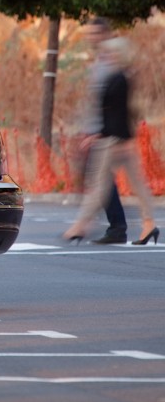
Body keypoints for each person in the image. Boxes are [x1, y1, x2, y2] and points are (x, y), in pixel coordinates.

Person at [63, 36, 157, 245]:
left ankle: (80, 225)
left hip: (114, 140)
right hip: (118, 138)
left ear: (120, 55)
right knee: (133, 183)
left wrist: (104, 135)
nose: (108, 56)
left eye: (112, 53)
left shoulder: (120, 79)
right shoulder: (118, 77)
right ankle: (149, 223)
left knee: (99, 183)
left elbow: (119, 113)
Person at [77, 18, 128, 244]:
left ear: (106, 34)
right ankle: (116, 226)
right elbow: (94, 101)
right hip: (98, 130)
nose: (92, 37)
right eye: (90, 33)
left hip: (108, 132)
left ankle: (115, 226)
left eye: (96, 33)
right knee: (102, 179)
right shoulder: (98, 63)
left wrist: (102, 131)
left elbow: (114, 101)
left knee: (100, 179)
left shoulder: (112, 63)